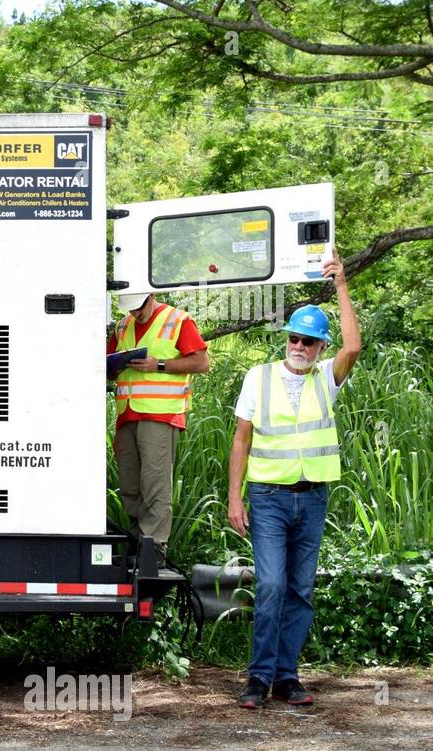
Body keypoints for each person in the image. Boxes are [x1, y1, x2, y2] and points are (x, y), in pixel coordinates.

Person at [227, 248, 361, 709]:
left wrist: (340, 282)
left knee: (301, 590)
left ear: (321, 347)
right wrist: (234, 499)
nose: (300, 347)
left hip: (313, 498)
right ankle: (258, 678)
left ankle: (287, 676)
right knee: (271, 586)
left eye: (309, 341)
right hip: (267, 498)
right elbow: (240, 441)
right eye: (294, 339)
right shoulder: (258, 377)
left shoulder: (327, 378)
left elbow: (355, 347)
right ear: (286, 340)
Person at [108, 291, 210, 551]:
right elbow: (107, 367)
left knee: (155, 485)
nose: (135, 314)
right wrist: (115, 366)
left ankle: (153, 551)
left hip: (160, 415)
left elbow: (201, 362)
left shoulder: (177, 320)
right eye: (129, 309)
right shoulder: (123, 325)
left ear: (150, 296)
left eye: (138, 308)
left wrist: (158, 365)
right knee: (130, 486)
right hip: (127, 414)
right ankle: (136, 546)